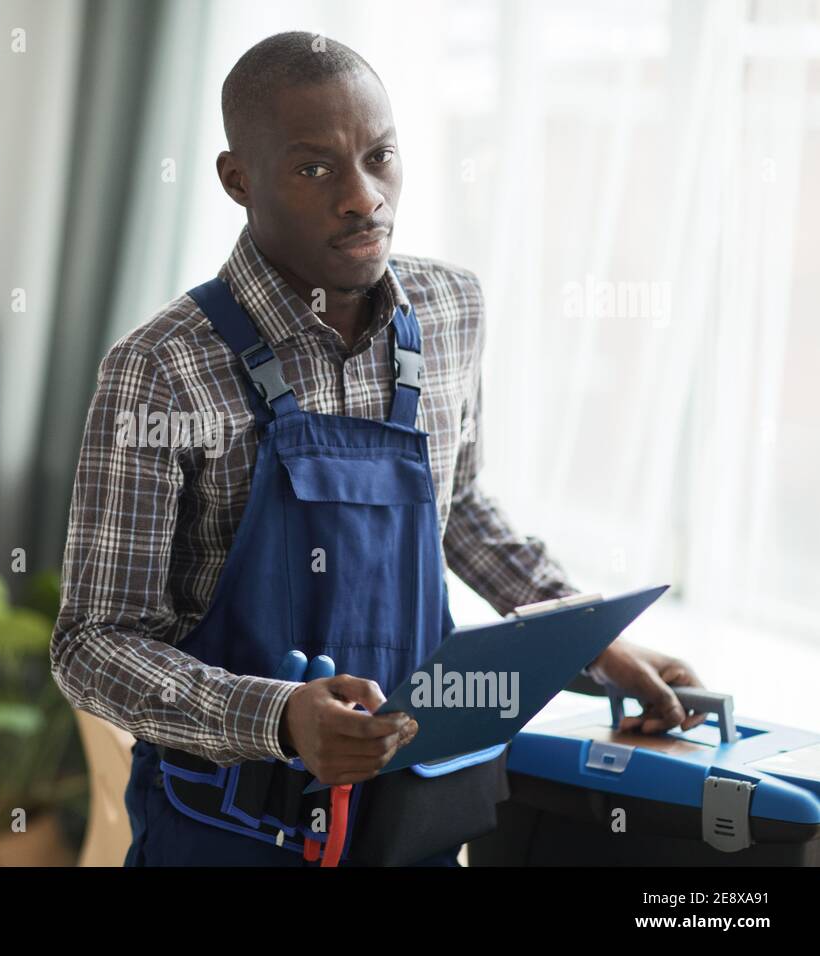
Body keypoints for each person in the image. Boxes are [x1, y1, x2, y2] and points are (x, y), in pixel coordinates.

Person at [50, 31, 705, 867]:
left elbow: (457, 503)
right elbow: (93, 643)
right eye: (315, 168)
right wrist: (279, 717)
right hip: (224, 831)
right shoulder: (161, 369)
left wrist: (575, 631)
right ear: (237, 179)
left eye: (381, 156)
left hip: (415, 822)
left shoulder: (450, 308)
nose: (365, 198)